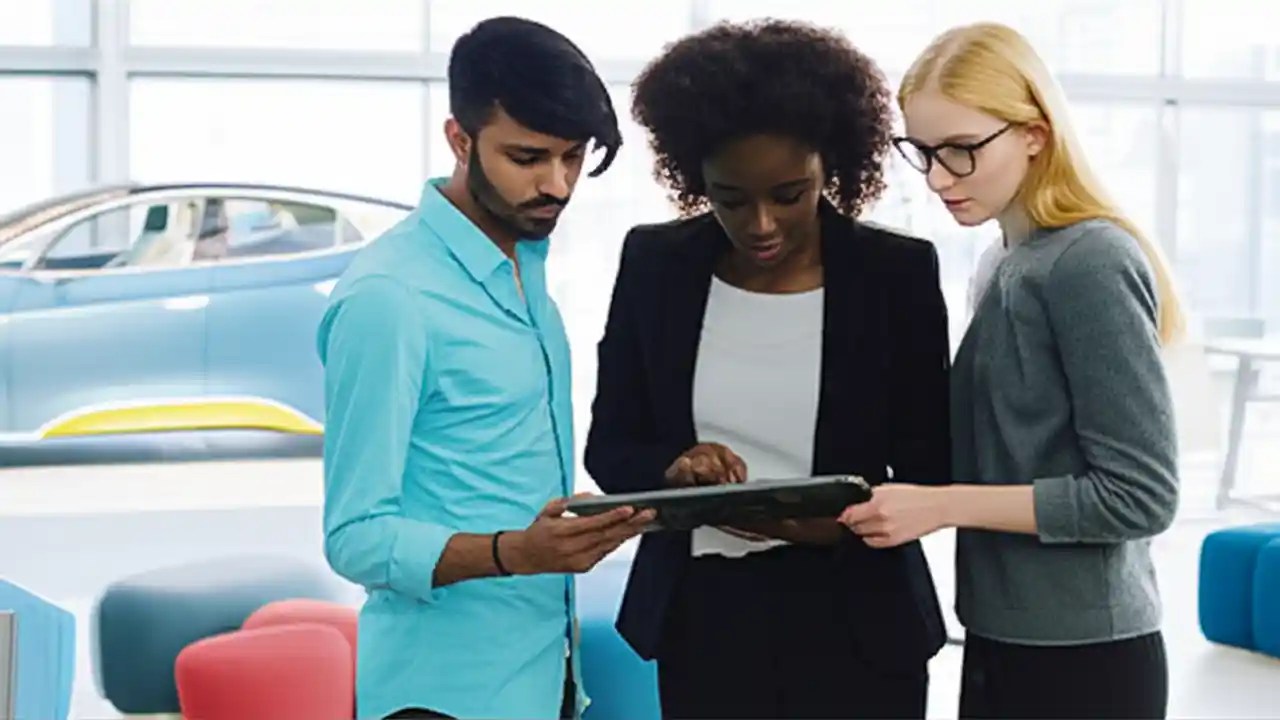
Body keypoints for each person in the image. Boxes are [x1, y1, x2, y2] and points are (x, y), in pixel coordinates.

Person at [584, 20, 952, 720]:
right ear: (695, 179)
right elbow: (610, 448)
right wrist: (676, 467)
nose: (759, 224)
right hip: (704, 618)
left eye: (789, 193)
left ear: (832, 168)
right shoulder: (655, 267)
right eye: (730, 197)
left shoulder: (894, 274)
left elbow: (930, 465)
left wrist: (836, 525)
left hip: (859, 621)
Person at [838, 21, 1183, 720]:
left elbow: (1140, 496)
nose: (938, 177)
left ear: (1035, 132)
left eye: (962, 150)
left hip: (1083, 656)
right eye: (923, 152)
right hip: (1002, 632)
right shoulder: (1004, 257)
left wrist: (941, 506)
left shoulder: (1089, 262)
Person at [318, 17, 653, 720]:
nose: (556, 185)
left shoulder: (525, 272)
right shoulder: (391, 297)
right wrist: (517, 552)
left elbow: (492, 471)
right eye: (528, 157)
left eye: (572, 158)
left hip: (545, 676)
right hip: (438, 696)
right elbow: (356, 536)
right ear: (459, 140)